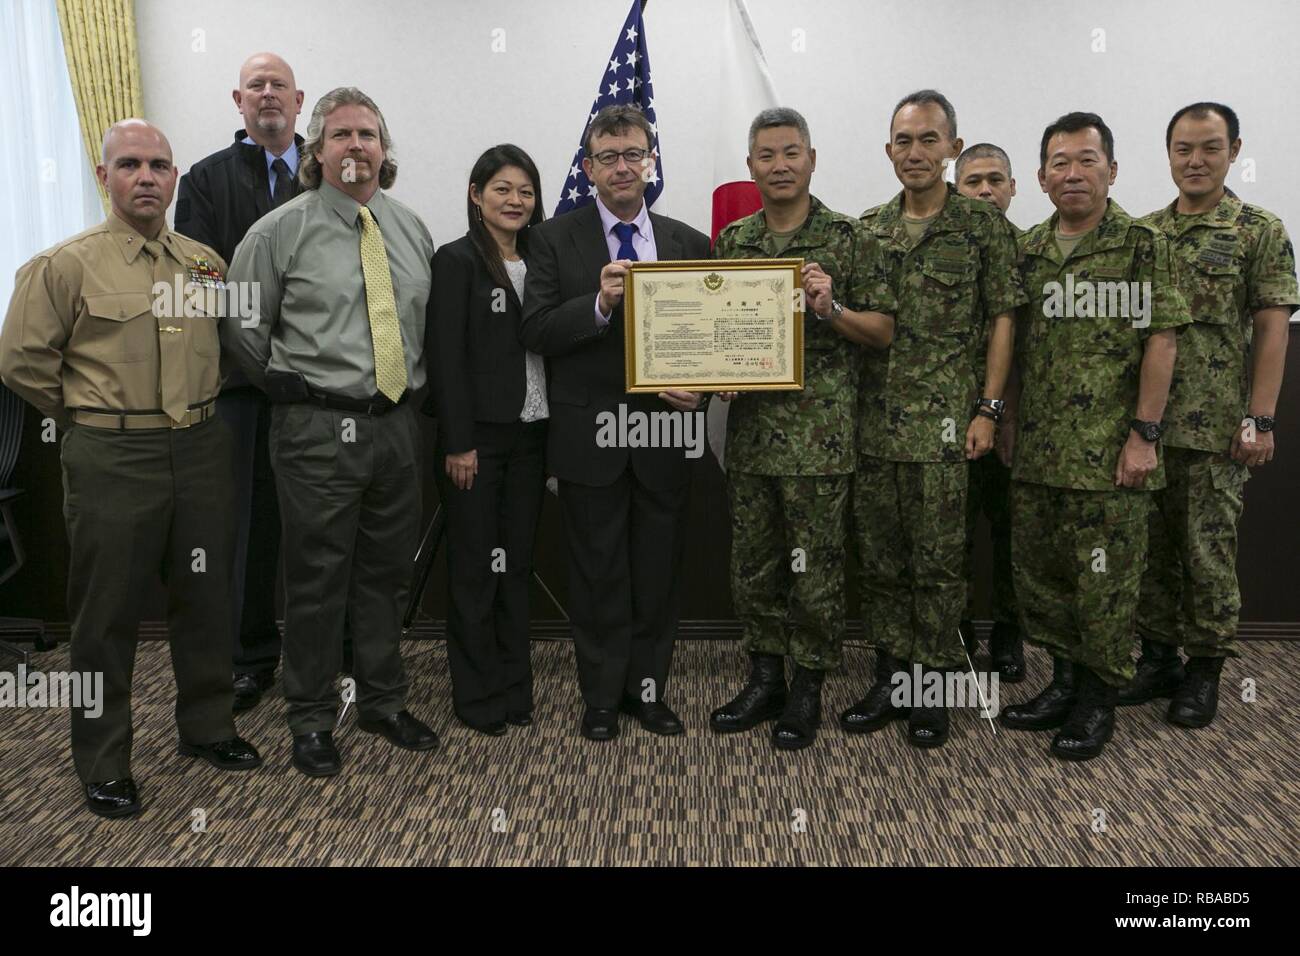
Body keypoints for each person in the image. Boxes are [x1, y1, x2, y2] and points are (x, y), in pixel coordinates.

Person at [0, 119, 261, 818]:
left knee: (206, 602)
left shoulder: (206, 264)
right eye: (131, 165)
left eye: (159, 165)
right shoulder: (64, 265)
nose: (147, 177)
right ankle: (105, 760)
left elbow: (232, 347)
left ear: (176, 178)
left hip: (203, 448)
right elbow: (21, 361)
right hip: (114, 454)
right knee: (105, 615)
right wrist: (94, 412)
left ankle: (207, 729)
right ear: (104, 177)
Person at [224, 88, 438, 777]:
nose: (356, 146)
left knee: (384, 578)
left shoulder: (410, 229)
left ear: (384, 148)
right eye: (341, 135)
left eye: (368, 134)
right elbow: (243, 332)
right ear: (317, 151)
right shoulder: (276, 232)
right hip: (316, 429)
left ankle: (382, 700)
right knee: (316, 582)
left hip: (397, 428)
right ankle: (311, 717)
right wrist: (305, 391)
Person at [1000, 112, 1190, 761]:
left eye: (1086, 160)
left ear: (1112, 169)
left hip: (1110, 455)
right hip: (1040, 452)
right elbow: (1016, 347)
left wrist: (1144, 435)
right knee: (1043, 581)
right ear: (1041, 176)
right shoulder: (1026, 249)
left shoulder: (1142, 243)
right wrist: (1008, 424)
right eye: (1060, 162)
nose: (1073, 173)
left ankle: (1098, 700)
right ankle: (1064, 682)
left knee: (1104, 584)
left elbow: (1161, 343)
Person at [519, 104, 710, 741]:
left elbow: (709, 344)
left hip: (667, 437)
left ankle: (647, 693)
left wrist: (703, 391)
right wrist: (598, 303)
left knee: (657, 574)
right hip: (589, 438)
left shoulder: (689, 243)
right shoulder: (552, 238)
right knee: (598, 572)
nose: (622, 166)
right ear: (588, 167)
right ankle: (600, 697)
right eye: (608, 156)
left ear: (652, 161)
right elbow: (536, 329)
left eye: (633, 154)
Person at [709, 108, 895, 751]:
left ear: (812, 159)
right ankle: (765, 679)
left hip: (821, 439)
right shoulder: (733, 242)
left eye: (791, 152)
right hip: (753, 437)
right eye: (766, 154)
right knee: (754, 565)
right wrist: (705, 374)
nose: (779, 165)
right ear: (750, 165)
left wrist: (831, 307)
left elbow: (884, 332)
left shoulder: (849, 238)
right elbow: (718, 338)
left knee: (814, 567)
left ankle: (809, 685)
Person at [845, 91, 1024, 749]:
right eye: (903, 140)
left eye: (928, 139)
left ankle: (934, 687)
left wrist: (990, 408)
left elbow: (1003, 317)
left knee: (940, 565)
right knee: (883, 561)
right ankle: (891, 678)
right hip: (874, 429)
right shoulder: (866, 230)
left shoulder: (983, 228)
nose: (914, 152)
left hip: (947, 428)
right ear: (888, 149)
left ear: (951, 146)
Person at [1123, 102, 1298, 726]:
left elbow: (1272, 327)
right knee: (1149, 552)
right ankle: (1158, 658)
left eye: (1209, 148)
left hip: (1217, 427)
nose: (1195, 161)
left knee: (1207, 553)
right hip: (1147, 427)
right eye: (1182, 149)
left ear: (1234, 150)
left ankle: (1203, 671)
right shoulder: (1143, 233)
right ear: (1167, 153)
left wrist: (1263, 417)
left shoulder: (1258, 230)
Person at [175, 51, 306, 712]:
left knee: (322, 526)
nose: (267, 94)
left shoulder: (332, 176)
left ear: (299, 99)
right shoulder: (203, 181)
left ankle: (324, 655)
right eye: (255, 85)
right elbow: (202, 288)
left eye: (277, 84)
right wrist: (262, 353)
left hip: (321, 390)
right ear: (238, 100)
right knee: (248, 532)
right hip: (240, 390)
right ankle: (250, 656)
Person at [428, 144, 548, 736]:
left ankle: (514, 689)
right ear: (477, 195)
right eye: (502, 188)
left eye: (525, 190)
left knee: (516, 566)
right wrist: (458, 442)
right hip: (476, 443)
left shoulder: (544, 258)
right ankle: (476, 696)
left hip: (533, 436)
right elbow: (446, 358)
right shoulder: (456, 261)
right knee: (476, 569)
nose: (515, 200)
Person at [954, 142, 1024, 682]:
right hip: (948, 421)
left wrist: (1007, 414)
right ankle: (954, 634)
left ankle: (1009, 636)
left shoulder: (1038, 252)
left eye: (994, 180)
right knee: (951, 536)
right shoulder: (943, 245)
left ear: (1013, 188)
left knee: (1013, 536)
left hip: (1023, 424)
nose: (984, 190)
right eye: (973, 181)